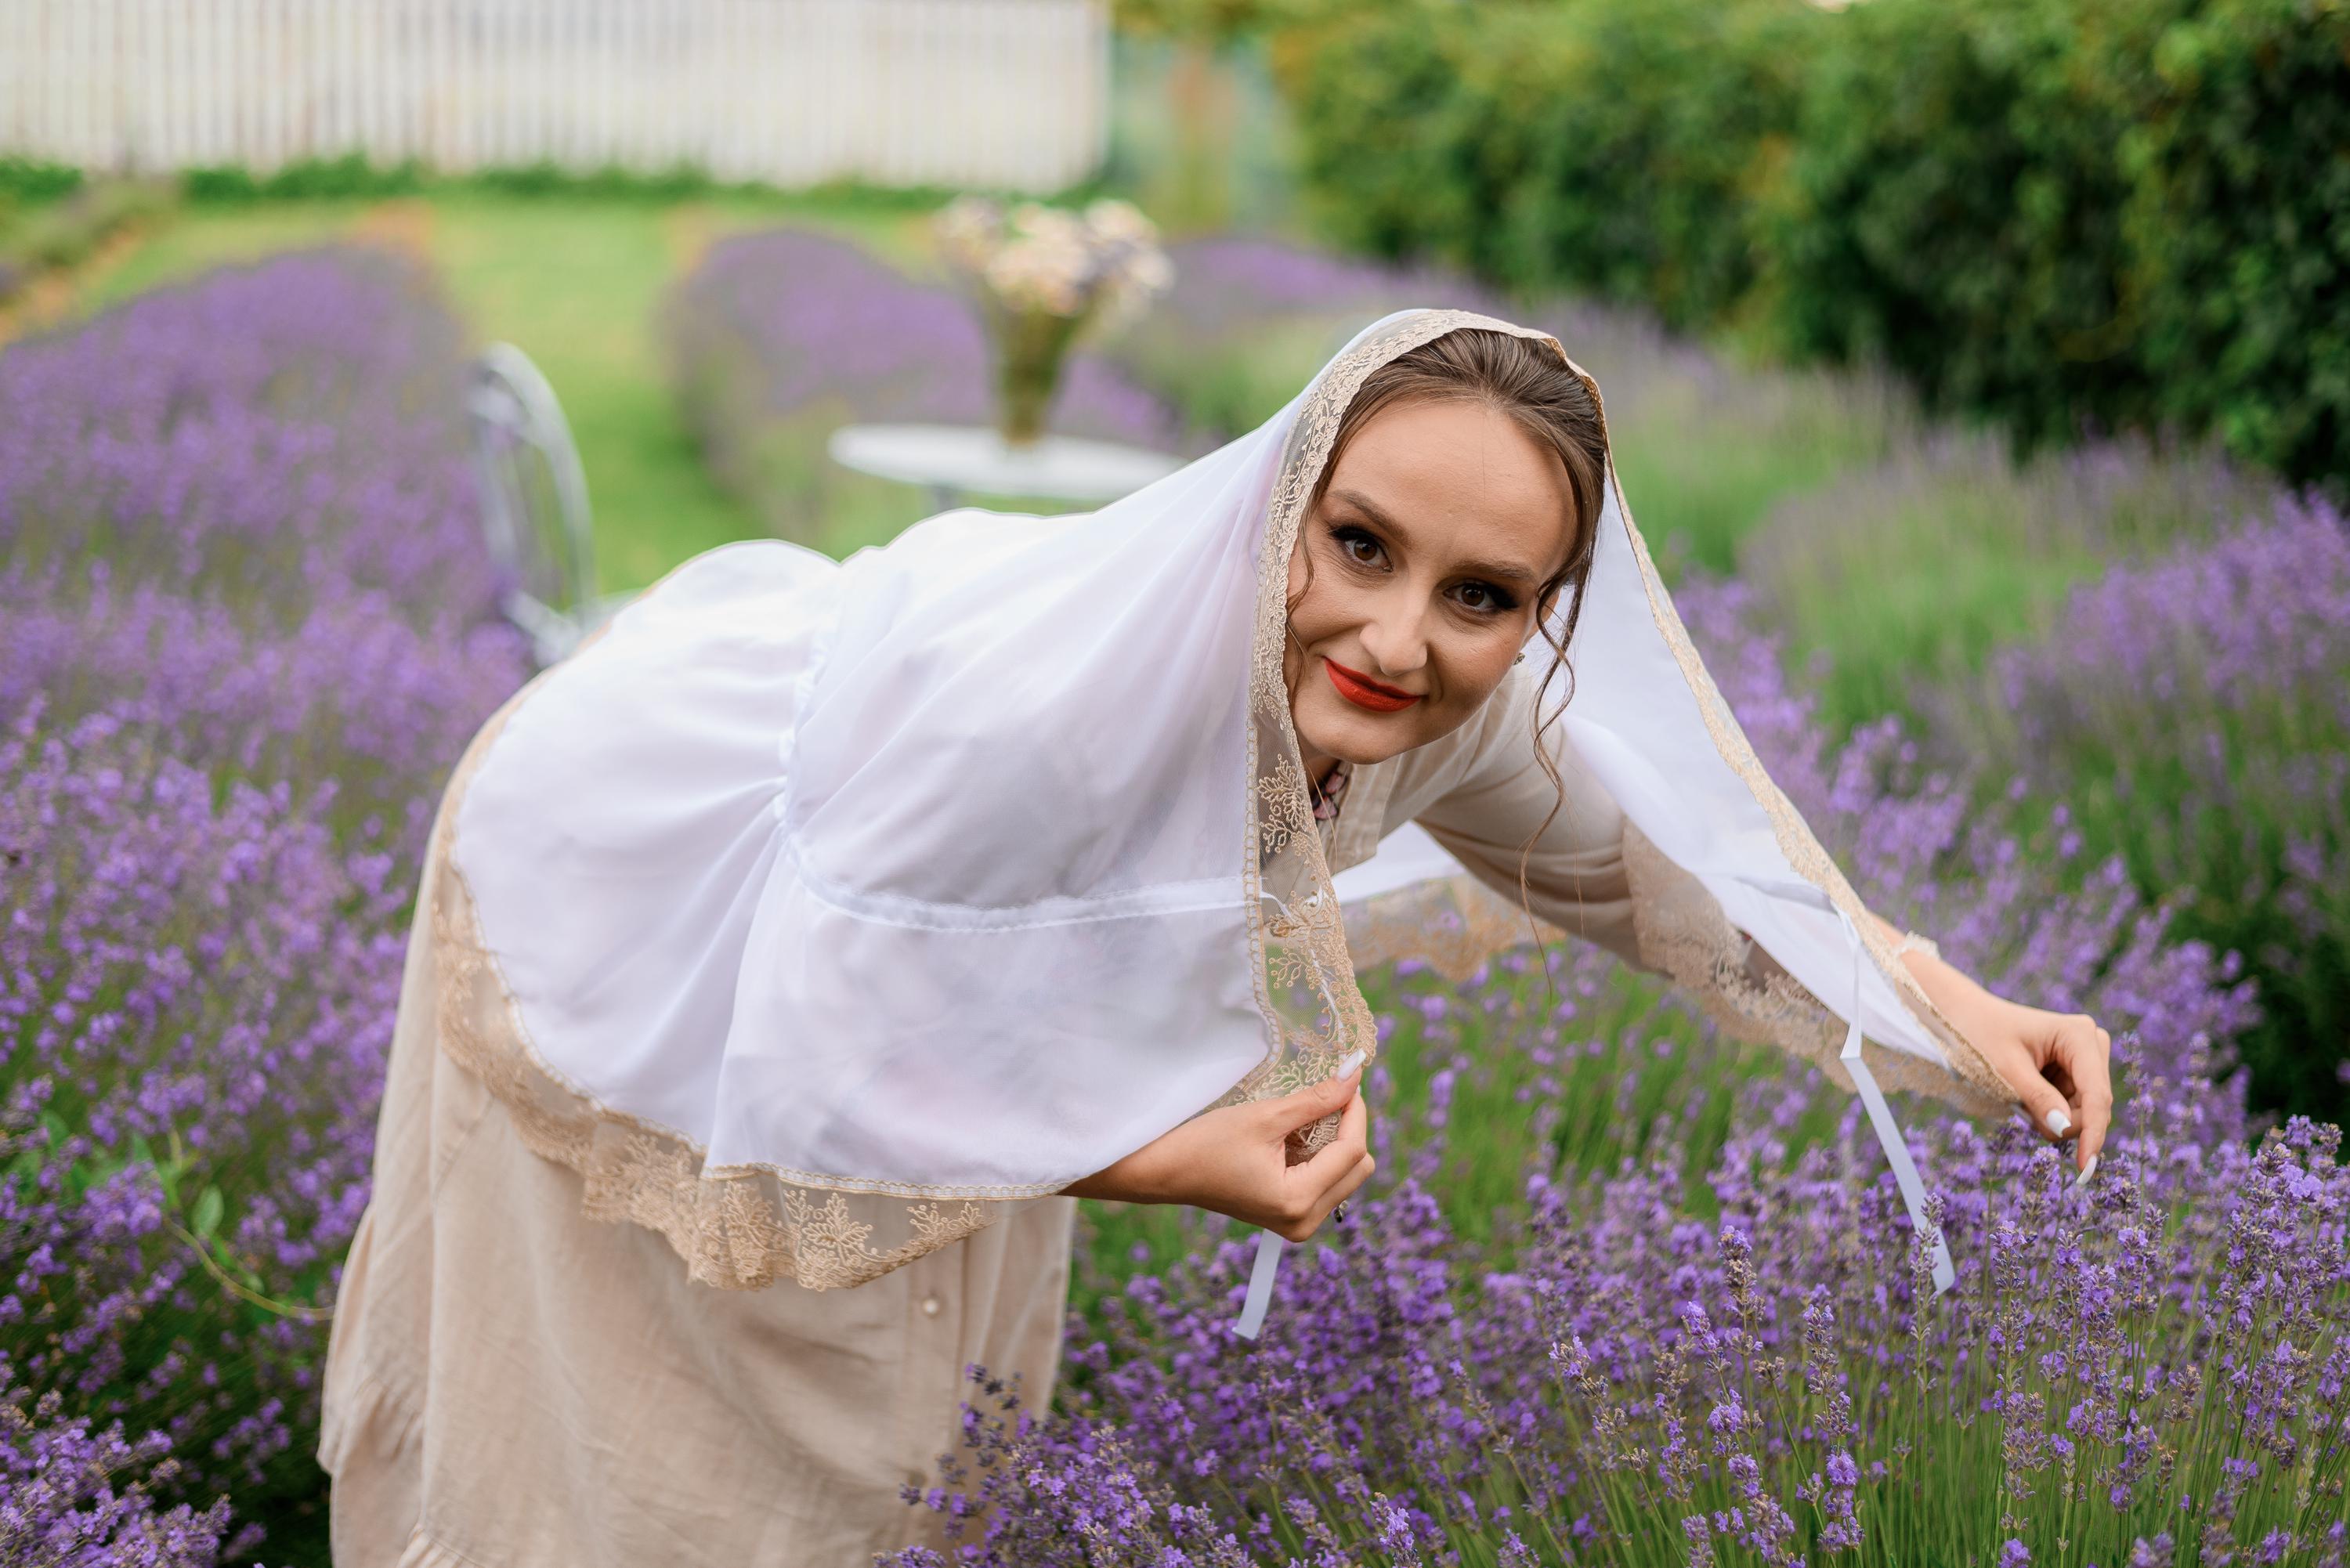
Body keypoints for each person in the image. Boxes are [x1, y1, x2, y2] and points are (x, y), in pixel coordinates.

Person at [318, 309, 2113, 1565]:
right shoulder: (1051, 721)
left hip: (888, 986)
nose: (1400, 637)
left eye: (1480, 596)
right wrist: (1152, 1150)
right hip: (649, 921)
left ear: (1541, 615)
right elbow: (822, 1031)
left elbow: (1682, 879)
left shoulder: (1448, 701)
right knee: (685, 1456)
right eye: (1359, 544)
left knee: (928, 1428)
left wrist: (1957, 1014)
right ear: (1286, 501)